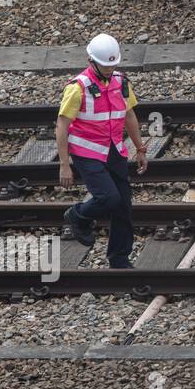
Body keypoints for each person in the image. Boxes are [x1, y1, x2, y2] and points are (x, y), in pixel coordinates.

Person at [57, 33, 148, 268]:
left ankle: (119, 259)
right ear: (92, 61)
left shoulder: (122, 82)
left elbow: (129, 115)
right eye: (105, 65)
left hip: (114, 149)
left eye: (112, 64)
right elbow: (62, 125)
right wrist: (65, 164)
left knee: (123, 206)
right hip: (87, 151)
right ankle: (78, 215)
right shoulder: (78, 88)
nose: (109, 69)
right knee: (109, 198)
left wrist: (139, 148)